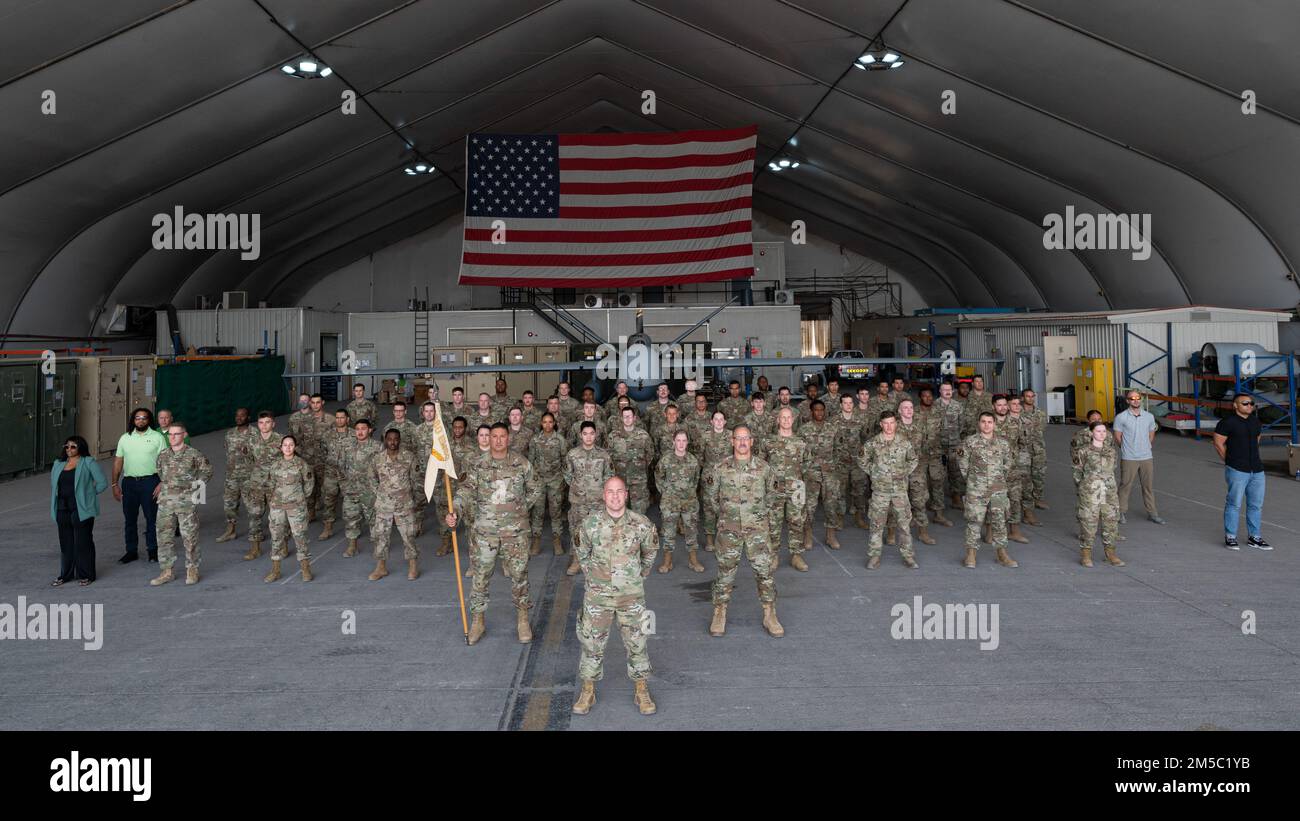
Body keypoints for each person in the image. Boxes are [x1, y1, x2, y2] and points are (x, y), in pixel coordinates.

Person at [447, 423, 542, 644]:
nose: (498, 440)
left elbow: (536, 487)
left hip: (515, 532)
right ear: (488, 439)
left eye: (502, 436)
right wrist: (455, 511)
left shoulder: (521, 462)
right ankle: (478, 621)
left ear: (508, 438)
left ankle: (523, 620)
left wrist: (520, 508)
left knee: (519, 576)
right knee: (480, 577)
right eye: (494, 436)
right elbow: (465, 491)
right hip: (485, 532)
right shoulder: (478, 464)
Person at [572, 476, 659, 717]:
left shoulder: (641, 524)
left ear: (626, 494)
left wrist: (636, 576)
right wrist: (595, 578)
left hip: (631, 597)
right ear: (603, 495)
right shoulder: (590, 524)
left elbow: (650, 553)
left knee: (638, 642)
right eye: (610, 491)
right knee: (591, 643)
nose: (615, 496)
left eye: (619, 491)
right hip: (598, 597)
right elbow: (582, 553)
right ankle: (588, 691)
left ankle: (641, 690)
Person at [707, 425, 783, 638]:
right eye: (738, 438)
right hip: (729, 531)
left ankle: (770, 614)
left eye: (745, 438)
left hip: (757, 531)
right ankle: (719, 613)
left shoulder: (764, 468)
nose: (742, 442)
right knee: (725, 573)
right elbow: (711, 497)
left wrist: (760, 517)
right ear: (732, 441)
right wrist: (726, 517)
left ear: (751, 441)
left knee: (765, 573)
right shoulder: (720, 468)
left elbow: (773, 496)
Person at [150, 423, 213, 586]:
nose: (172, 437)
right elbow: (161, 473)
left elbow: (207, 471)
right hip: (165, 502)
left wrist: (194, 490)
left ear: (184, 435)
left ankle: (192, 569)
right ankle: (167, 571)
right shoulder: (163, 455)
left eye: (176, 434)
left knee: (189, 537)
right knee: (163, 537)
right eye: (170, 434)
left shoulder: (194, 454)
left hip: (185, 502)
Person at [957, 411, 1017, 569]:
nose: (986, 425)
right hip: (976, 488)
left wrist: (999, 478)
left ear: (994, 424)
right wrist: (973, 480)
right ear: (979, 423)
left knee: (1000, 521)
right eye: (983, 421)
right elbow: (963, 463)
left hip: (998, 488)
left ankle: (1002, 554)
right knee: (974, 521)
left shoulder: (1003, 443)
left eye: (990, 422)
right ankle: (971, 554)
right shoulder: (970, 442)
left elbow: (1008, 463)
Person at [860, 411, 919, 569]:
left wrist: (904, 472)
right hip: (880, 491)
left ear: (896, 424)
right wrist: (875, 472)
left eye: (892, 423)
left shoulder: (904, 442)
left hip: (900, 491)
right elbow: (862, 459)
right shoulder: (873, 443)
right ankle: (874, 557)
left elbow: (913, 459)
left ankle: (908, 556)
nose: (889, 426)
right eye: (886, 423)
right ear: (881, 424)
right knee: (876, 525)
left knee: (904, 526)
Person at [50, 436, 108, 586]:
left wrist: (88, 495)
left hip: (82, 508)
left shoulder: (88, 462)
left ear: (80, 447)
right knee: (66, 543)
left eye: (73, 446)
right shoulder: (58, 464)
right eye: (67, 446)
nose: (69, 449)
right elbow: (54, 486)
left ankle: (87, 575)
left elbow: (102, 483)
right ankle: (66, 575)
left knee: (83, 542)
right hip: (62, 507)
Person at [1214, 394, 1270, 550]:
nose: (1249, 406)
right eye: (1245, 403)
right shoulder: (1227, 422)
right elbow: (1218, 443)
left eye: (1251, 403)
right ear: (1235, 405)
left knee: (1256, 505)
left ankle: (1255, 537)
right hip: (1237, 469)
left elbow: (1256, 440)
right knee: (1234, 504)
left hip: (1257, 470)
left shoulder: (1255, 421)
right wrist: (1231, 461)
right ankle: (1231, 536)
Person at [112, 407, 167, 564]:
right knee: (129, 519)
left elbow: (166, 461)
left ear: (149, 420)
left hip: (150, 482)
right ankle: (131, 551)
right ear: (133, 420)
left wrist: (163, 482)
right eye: (137, 418)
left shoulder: (157, 437)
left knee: (151, 518)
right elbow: (118, 462)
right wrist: (114, 484)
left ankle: (153, 550)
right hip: (129, 483)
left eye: (144, 418)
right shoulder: (125, 438)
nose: (140, 421)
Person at [368, 429, 422, 580]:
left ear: (400, 440)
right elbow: (371, 478)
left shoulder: (409, 457)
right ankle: (381, 567)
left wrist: (412, 499)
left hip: (404, 504)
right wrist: (380, 494)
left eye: (396, 439)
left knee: (408, 535)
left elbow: (416, 480)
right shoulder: (377, 459)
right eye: (389, 439)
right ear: (385, 440)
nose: (392, 442)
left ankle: (413, 566)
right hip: (384, 505)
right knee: (381, 535)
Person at [263, 434, 316, 582]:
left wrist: (300, 498)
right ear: (280, 448)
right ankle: (275, 570)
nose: (288, 447)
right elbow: (270, 484)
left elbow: (309, 483)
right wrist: (273, 500)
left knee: (300, 537)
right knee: (276, 537)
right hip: (278, 507)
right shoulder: (275, 465)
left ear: (295, 447)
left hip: (296, 507)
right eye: (285, 445)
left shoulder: (301, 464)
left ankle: (305, 569)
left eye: (291, 445)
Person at [761, 407, 809, 571]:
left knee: (797, 522)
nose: (787, 420)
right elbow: (761, 464)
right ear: (778, 420)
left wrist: (798, 479)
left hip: (796, 488)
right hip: (775, 489)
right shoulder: (768, 442)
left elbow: (807, 463)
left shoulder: (801, 442)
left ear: (793, 420)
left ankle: (796, 556)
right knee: (773, 523)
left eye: (789, 417)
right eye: (783, 417)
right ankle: (773, 555)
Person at [564, 422, 613, 575]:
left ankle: (598, 562)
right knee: (577, 530)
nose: (588, 437)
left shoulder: (603, 455)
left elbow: (609, 475)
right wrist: (579, 488)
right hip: (578, 501)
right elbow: (567, 475)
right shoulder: (572, 454)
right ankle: (577, 560)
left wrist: (598, 490)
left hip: (598, 501)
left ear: (596, 435)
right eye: (585, 434)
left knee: (599, 531)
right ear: (580, 435)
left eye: (591, 433)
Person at [1073, 421, 1124, 567]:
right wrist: (1085, 487)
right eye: (1098, 431)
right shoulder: (1083, 451)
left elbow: (1112, 468)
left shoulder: (1111, 451)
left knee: (1111, 521)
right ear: (1091, 433)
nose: (1102, 434)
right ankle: (1086, 554)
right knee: (1089, 522)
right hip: (1090, 492)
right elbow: (1077, 472)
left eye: (1104, 431)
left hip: (1109, 492)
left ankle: (1110, 553)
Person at [1113, 390, 1164, 525]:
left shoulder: (1149, 417)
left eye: (1138, 398)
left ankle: (1152, 513)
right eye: (1132, 398)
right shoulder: (1121, 417)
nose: (1135, 400)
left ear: (1141, 400)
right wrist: (1127, 449)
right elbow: (1117, 437)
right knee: (1125, 485)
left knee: (1148, 486)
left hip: (1146, 457)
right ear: (1127, 401)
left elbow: (1151, 434)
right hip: (1129, 458)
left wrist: (1145, 447)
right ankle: (1120, 512)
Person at [655, 430, 703, 573]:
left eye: (684, 440)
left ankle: (693, 560)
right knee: (669, 532)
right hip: (670, 503)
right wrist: (667, 492)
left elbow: (696, 480)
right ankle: (667, 561)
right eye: (678, 440)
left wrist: (688, 492)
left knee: (691, 531)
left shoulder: (693, 460)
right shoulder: (665, 460)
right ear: (673, 442)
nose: (681, 443)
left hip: (689, 502)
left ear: (687, 442)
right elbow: (658, 477)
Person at [798, 400, 839, 549]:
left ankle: (831, 535)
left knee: (831, 505)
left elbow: (838, 450)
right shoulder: (804, 430)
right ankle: (808, 535)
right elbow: (799, 453)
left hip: (829, 473)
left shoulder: (832, 429)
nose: (819, 412)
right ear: (811, 412)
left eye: (822, 410)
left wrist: (834, 467)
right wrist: (804, 470)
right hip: (811, 473)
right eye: (816, 410)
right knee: (809, 506)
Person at [242, 411, 281, 560]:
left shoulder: (281, 440)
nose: (264, 425)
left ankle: (281, 546)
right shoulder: (251, 440)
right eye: (261, 423)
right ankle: (255, 548)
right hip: (256, 484)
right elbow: (248, 460)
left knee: (277, 518)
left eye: (267, 422)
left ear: (273, 424)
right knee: (254, 515)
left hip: (274, 485)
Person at [528, 412, 568, 555]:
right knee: (537, 513)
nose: (547, 425)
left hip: (555, 481)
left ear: (554, 423)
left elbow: (565, 461)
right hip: (539, 482)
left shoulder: (560, 440)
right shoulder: (535, 440)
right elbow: (531, 461)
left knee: (555, 513)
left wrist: (563, 479)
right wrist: (532, 481)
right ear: (541, 423)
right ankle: (536, 541)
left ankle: (557, 541)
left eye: (550, 422)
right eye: (545, 422)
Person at [340, 420, 382, 558]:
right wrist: (344, 486)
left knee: (374, 519)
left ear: (369, 430)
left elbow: (383, 468)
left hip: (370, 491)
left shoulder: (377, 447)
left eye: (363, 428)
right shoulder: (348, 446)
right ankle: (352, 546)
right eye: (357, 429)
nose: (360, 431)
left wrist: (379, 489)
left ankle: (378, 546)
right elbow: (341, 466)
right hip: (351, 490)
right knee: (350, 518)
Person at [216, 408, 254, 544]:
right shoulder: (230, 433)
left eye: (242, 416)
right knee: (229, 505)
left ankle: (255, 532)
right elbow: (228, 452)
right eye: (237, 415)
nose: (239, 418)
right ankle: (230, 531)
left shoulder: (255, 434)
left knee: (252, 506)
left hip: (249, 477)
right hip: (232, 477)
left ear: (248, 417)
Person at [696, 411, 733, 552]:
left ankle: (725, 537)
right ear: (711, 422)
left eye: (721, 419)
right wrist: (706, 472)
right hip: (709, 477)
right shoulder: (705, 436)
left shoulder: (731, 435)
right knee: (709, 507)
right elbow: (699, 456)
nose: (718, 422)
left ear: (725, 422)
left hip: (727, 476)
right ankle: (710, 538)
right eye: (716, 419)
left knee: (726, 506)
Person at [607, 407, 654, 514]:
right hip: (619, 480)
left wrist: (639, 466)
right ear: (621, 418)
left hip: (638, 480)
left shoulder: (643, 436)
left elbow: (650, 454)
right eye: (625, 417)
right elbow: (607, 456)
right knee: (619, 510)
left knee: (639, 512)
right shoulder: (613, 436)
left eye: (629, 416)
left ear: (634, 418)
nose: (627, 419)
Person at [318, 409, 352, 539]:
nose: (339, 420)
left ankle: (352, 529)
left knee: (350, 503)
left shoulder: (354, 435)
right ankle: (328, 528)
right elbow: (323, 452)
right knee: (328, 501)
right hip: (331, 474)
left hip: (347, 476)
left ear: (347, 419)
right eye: (337, 418)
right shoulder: (327, 435)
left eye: (342, 418)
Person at [1020, 389, 1049, 510]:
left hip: (1038, 449)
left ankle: (1038, 498)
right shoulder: (1018, 412)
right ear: (1022, 398)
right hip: (1023, 450)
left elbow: (1043, 428)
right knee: (1024, 476)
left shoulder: (1040, 413)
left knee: (1039, 474)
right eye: (1028, 396)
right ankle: (1025, 501)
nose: (1031, 398)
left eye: (1032, 396)